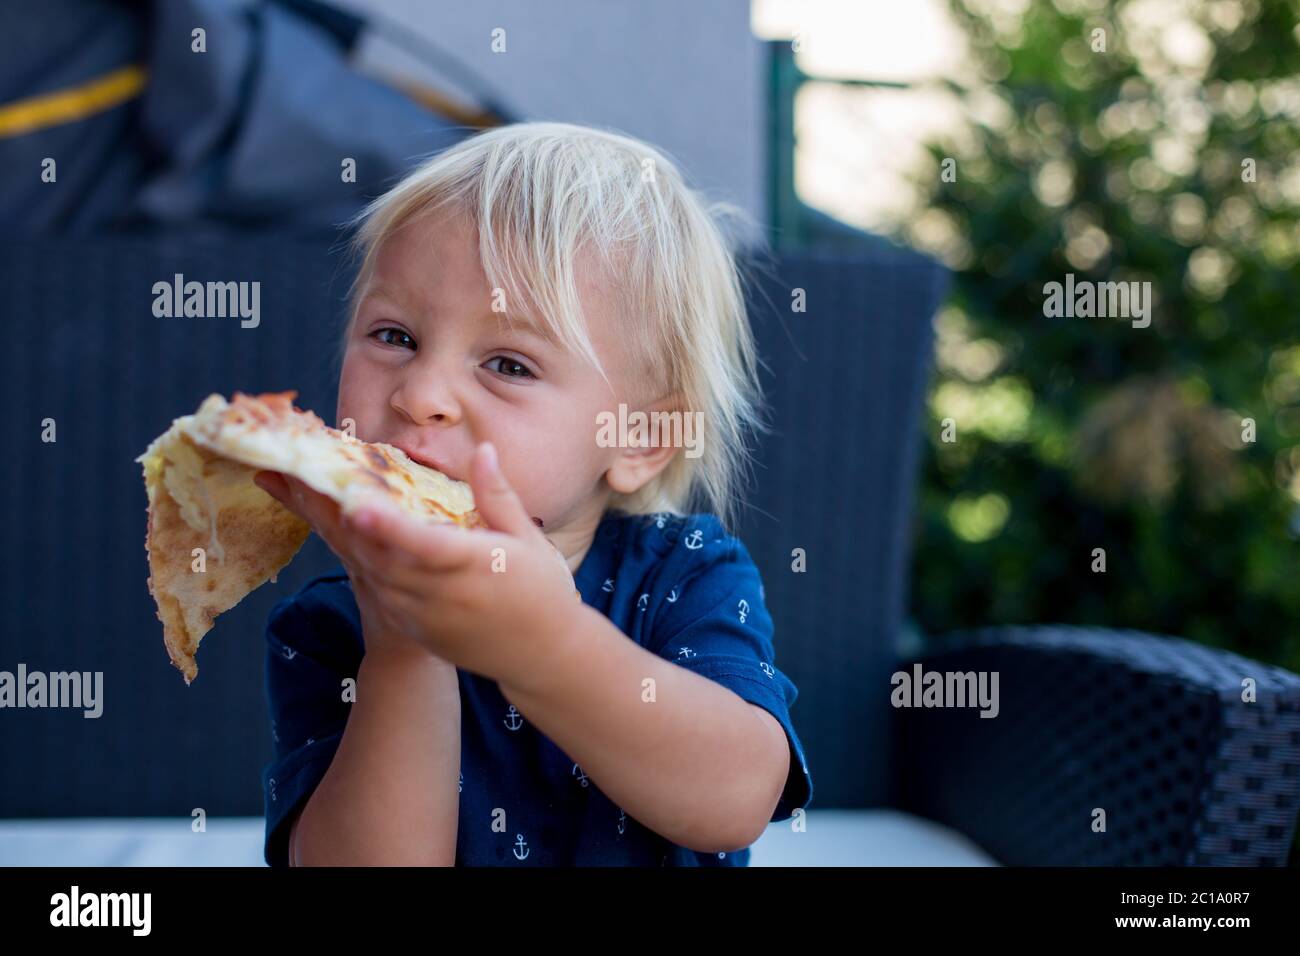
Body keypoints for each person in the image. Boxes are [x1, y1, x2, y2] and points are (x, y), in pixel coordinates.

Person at [253, 121, 813, 866]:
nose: (420, 396)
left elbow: (734, 799)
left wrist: (545, 648)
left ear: (639, 438)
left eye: (509, 364)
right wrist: (404, 649)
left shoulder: (685, 576)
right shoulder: (334, 622)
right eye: (395, 337)